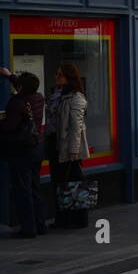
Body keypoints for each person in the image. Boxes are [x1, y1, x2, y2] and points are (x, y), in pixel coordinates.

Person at [0, 68, 48, 239]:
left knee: (23, 190)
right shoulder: (38, 98)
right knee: (34, 188)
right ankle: (40, 225)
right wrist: (10, 76)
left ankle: (28, 228)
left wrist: (0, 121)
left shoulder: (16, 102)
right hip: (36, 149)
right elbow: (24, 87)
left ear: (21, 88)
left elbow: (10, 126)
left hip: (21, 150)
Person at [50, 63, 90, 229]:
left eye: (60, 75)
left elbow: (76, 127)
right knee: (60, 183)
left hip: (68, 148)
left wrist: (74, 151)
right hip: (55, 144)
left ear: (69, 78)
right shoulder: (57, 95)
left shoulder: (76, 98)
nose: (56, 77)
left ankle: (78, 219)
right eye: (56, 74)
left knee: (73, 184)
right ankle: (62, 218)